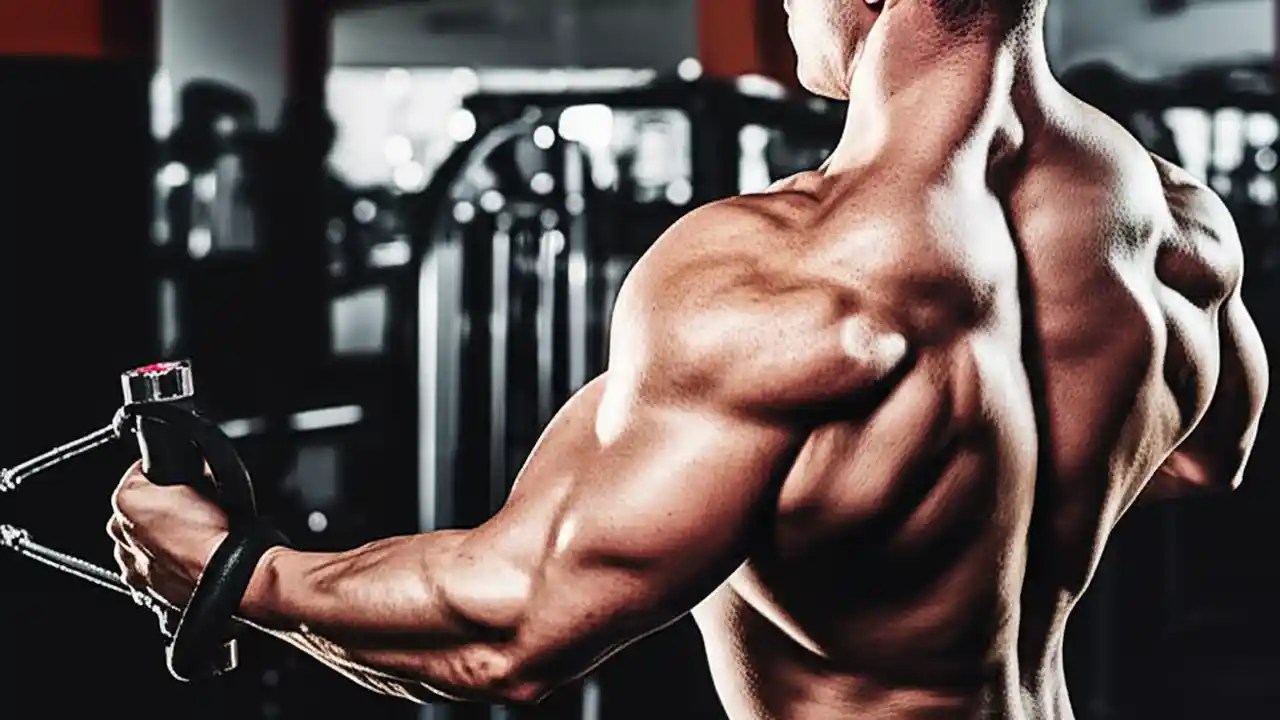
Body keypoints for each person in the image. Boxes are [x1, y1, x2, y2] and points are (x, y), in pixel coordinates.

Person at [107, 0, 1269, 716]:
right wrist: (973, 499)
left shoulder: (775, 272)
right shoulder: (1173, 222)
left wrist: (229, 570)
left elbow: (506, 635)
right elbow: (1198, 459)